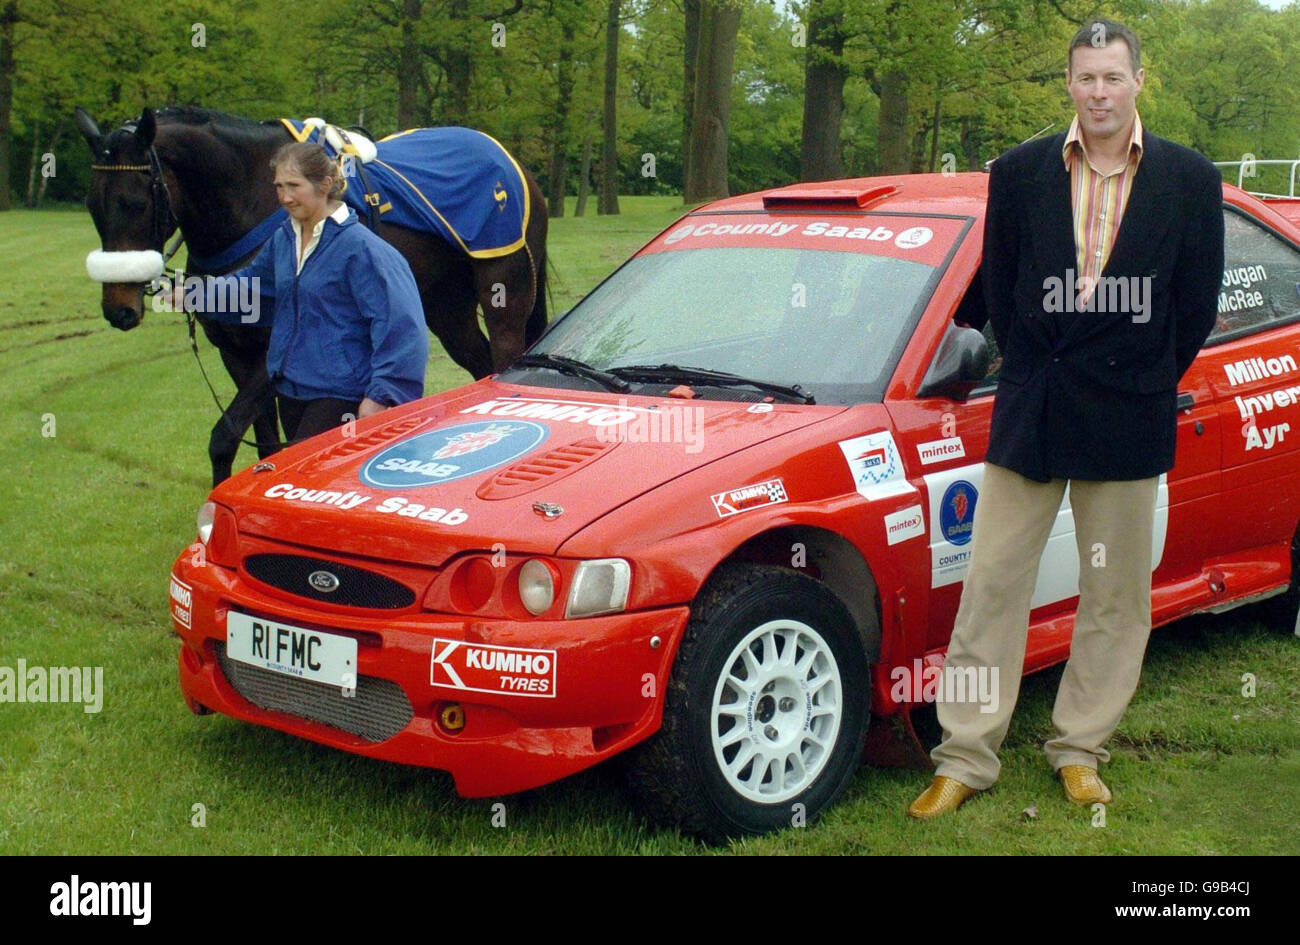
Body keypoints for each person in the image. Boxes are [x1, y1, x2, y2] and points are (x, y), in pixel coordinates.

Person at [907, 18, 1225, 818]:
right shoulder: (1017, 173)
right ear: (1071, 85)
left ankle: (1080, 746)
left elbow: (1194, 308)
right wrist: (1035, 363)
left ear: (1137, 83)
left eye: (1113, 78)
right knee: (991, 585)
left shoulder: (1189, 179)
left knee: (1115, 593)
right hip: (1034, 408)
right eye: (1085, 78)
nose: (1099, 94)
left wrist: (1142, 375)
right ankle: (964, 756)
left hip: (1127, 411)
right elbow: (1002, 294)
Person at [181, 141, 428, 445]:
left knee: (319, 485)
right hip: (290, 388)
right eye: (279, 186)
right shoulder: (283, 239)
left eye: (294, 186)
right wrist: (194, 294)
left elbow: (401, 326)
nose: (284, 197)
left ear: (325, 184)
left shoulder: (364, 250)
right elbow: (255, 288)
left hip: (340, 395)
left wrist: (384, 394)